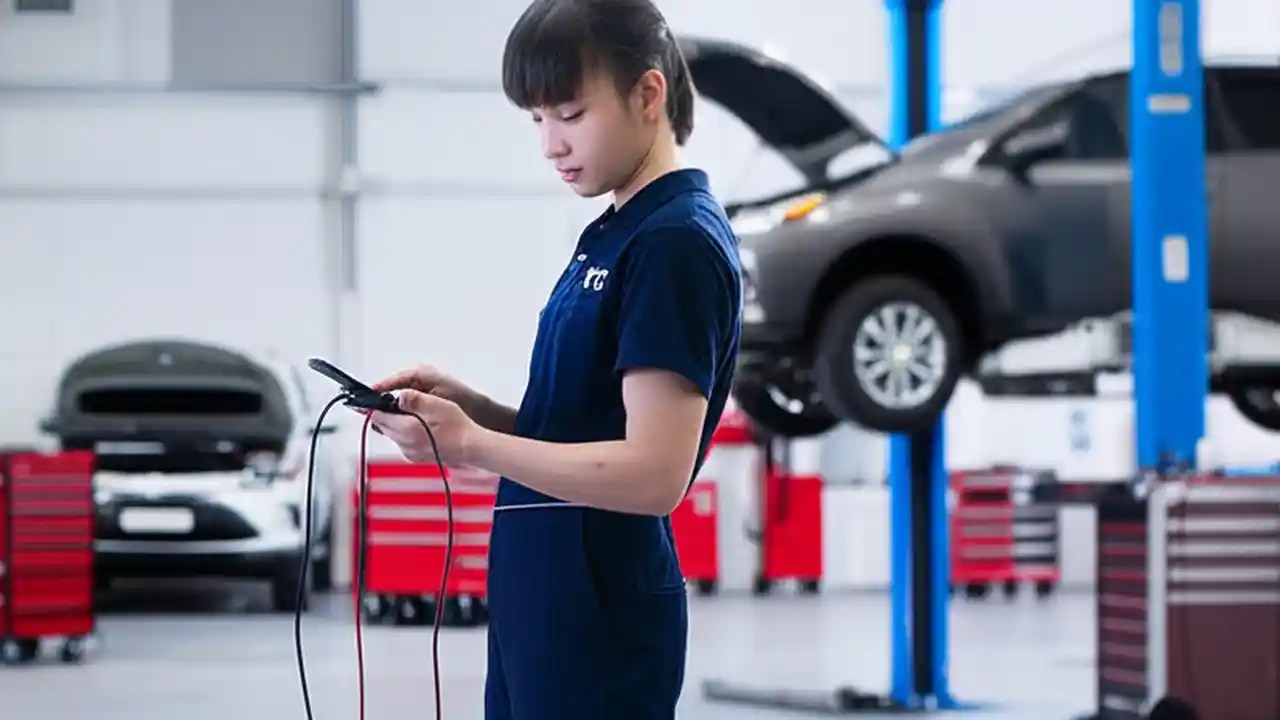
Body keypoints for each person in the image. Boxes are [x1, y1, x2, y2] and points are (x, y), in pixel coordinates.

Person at [367, 0, 742, 717]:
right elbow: (584, 427)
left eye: (569, 113)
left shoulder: (674, 245)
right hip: (543, 594)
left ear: (647, 94)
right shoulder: (616, 233)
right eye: (536, 119)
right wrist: (472, 409)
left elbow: (656, 472)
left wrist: (474, 443)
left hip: (597, 607)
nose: (549, 143)